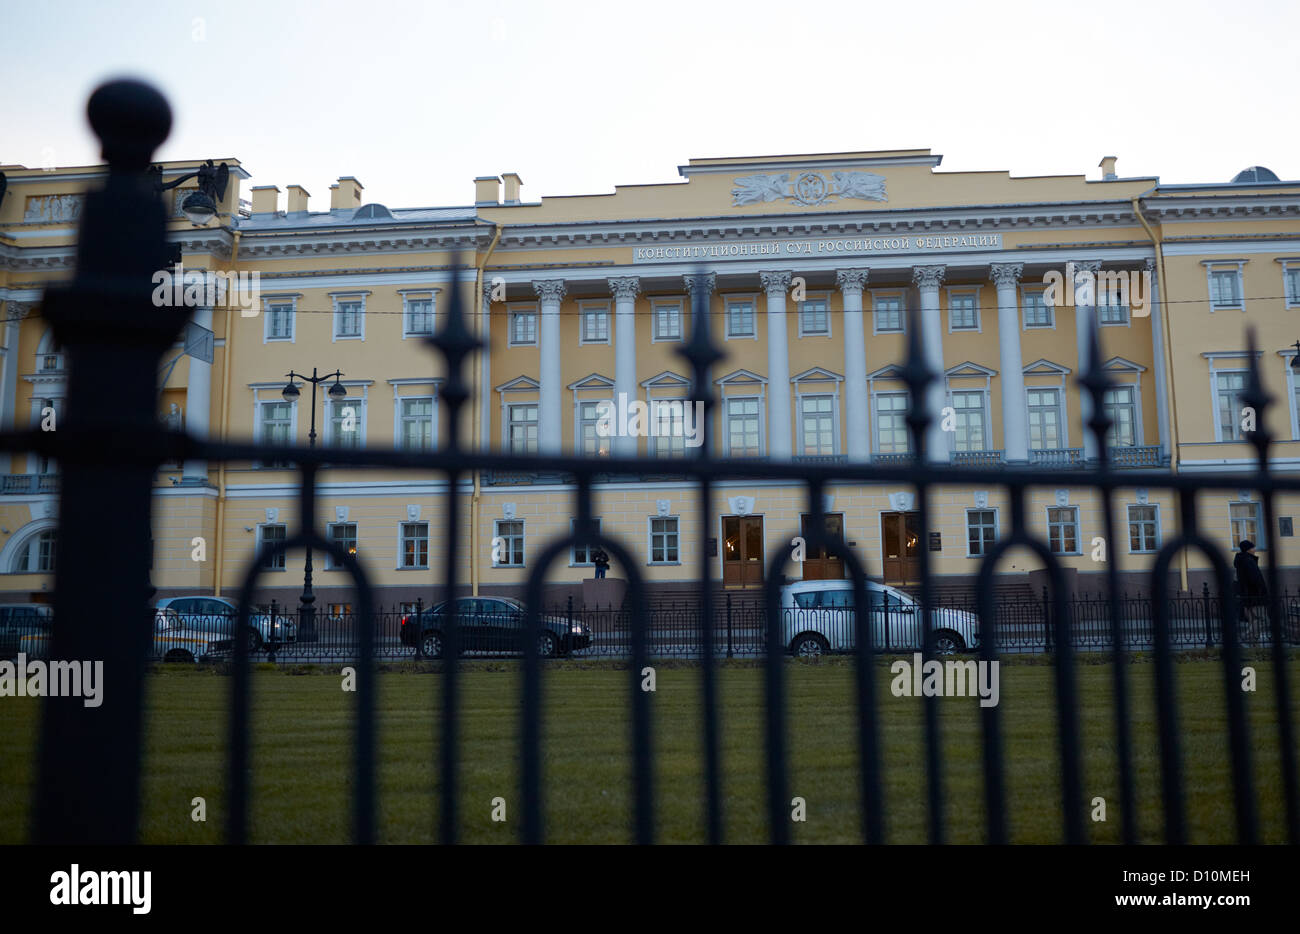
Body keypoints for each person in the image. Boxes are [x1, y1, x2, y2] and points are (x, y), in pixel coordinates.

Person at [1233, 539, 1267, 641]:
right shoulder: (1248, 561)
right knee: (1261, 619)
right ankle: (1247, 636)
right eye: (1253, 547)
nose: (1254, 549)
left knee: (1253, 620)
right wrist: (1262, 591)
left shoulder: (1241, 561)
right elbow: (1255, 579)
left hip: (1247, 595)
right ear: (1248, 549)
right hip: (1255, 595)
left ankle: (1253, 640)